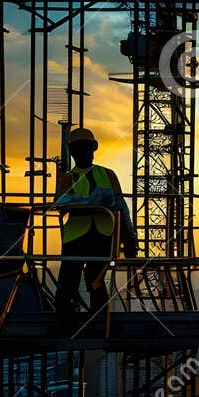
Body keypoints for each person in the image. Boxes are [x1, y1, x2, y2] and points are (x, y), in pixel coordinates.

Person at [53, 127, 137, 329]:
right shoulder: (68, 178)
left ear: (93, 149)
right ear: (73, 152)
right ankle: (66, 325)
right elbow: (61, 203)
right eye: (79, 148)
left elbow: (121, 208)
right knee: (67, 283)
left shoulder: (108, 174)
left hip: (102, 234)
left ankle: (98, 324)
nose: (84, 152)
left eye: (87, 148)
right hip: (76, 236)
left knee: (96, 281)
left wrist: (129, 238)